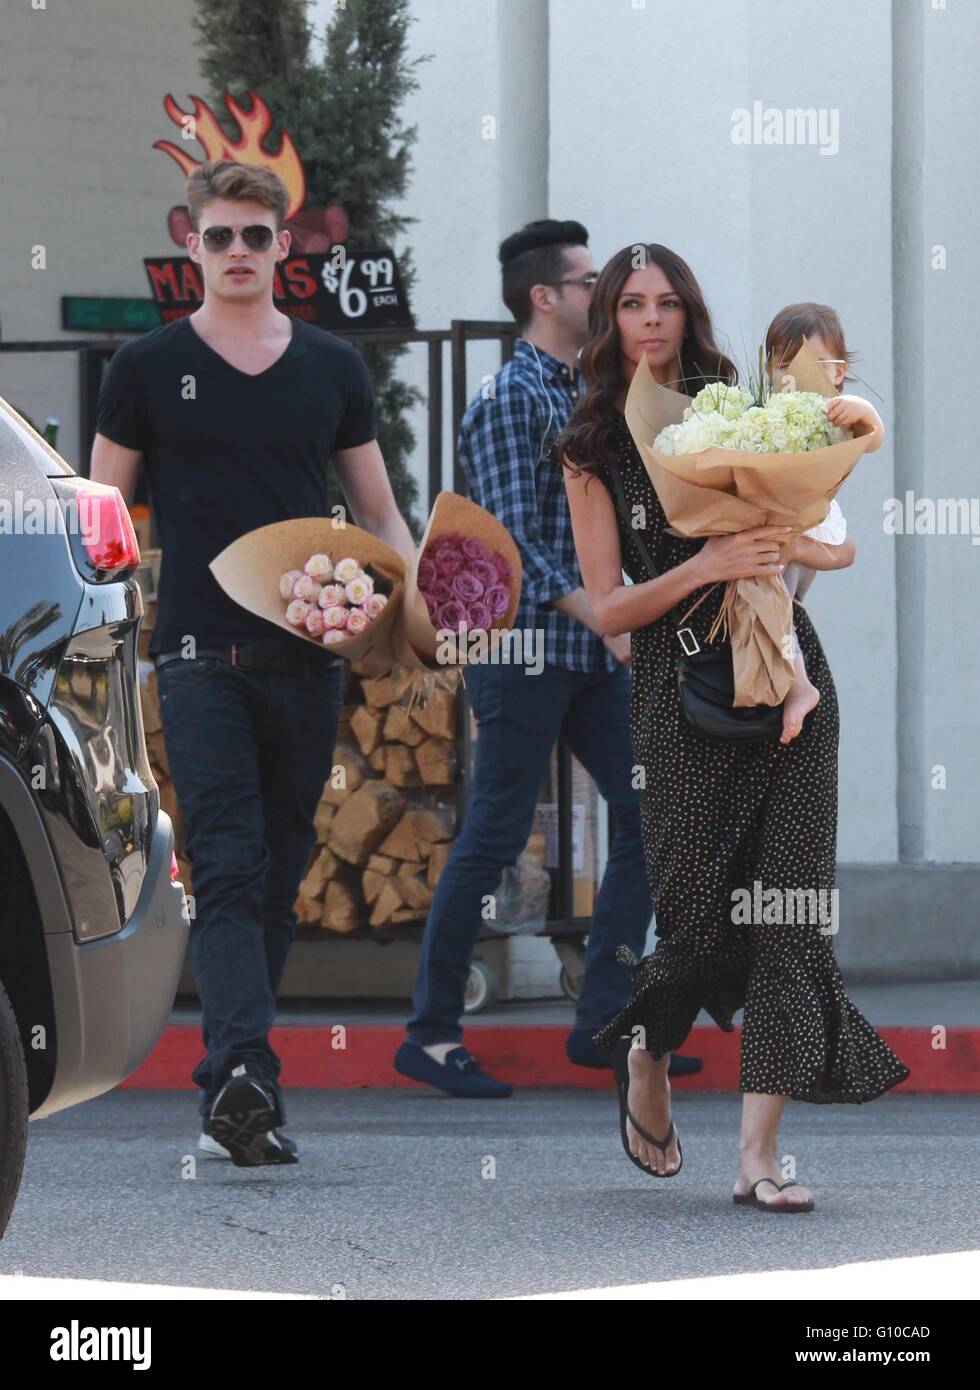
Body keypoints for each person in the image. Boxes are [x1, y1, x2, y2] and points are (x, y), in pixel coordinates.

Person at [560, 243, 909, 1210]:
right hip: (679, 693)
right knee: (700, 918)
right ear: (608, 320)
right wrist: (701, 568)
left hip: (788, 684)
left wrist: (789, 537)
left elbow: (832, 525)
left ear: (690, 311)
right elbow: (605, 605)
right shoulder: (591, 443)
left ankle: (759, 1159)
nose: (653, 319)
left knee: (793, 914)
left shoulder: (736, 401)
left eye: (668, 302)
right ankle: (649, 1054)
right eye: (632, 304)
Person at [91, 158, 416, 1166]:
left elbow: (377, 510)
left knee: (276, 877)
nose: (238, 252)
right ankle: (240, 1073)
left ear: (286, 248)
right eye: (219, 235)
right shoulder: (142, 370)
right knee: (228, 866)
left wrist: (425, 605)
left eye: (256, 236)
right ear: (190, 244)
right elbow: (101, 518)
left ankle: (241, 1077)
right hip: (195, 657)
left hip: (308, 662)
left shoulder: (331, 368)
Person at [394, 220, 702, 1097]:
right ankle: (431, 1032)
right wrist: (607, 616)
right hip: (527, 648)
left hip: (594, 647)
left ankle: (608, 1019)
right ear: (546, 298)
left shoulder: (592, 394)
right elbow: (511, 539)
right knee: (494, 830)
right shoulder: (509, 399)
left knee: (647, 810)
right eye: (589, 283)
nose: (606, 298)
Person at [764, 302, 885, 744]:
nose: (798, 375)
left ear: (838, 371)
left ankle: (800, 685)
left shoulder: (837, 412)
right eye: (785, 363)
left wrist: (863, 410)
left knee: (773, 589)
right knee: (771, 594)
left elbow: (873, 438)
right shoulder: (767, 414)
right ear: (769, 369)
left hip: (809, 525)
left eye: (818, 363)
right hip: (778, 529)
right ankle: (793, 681)